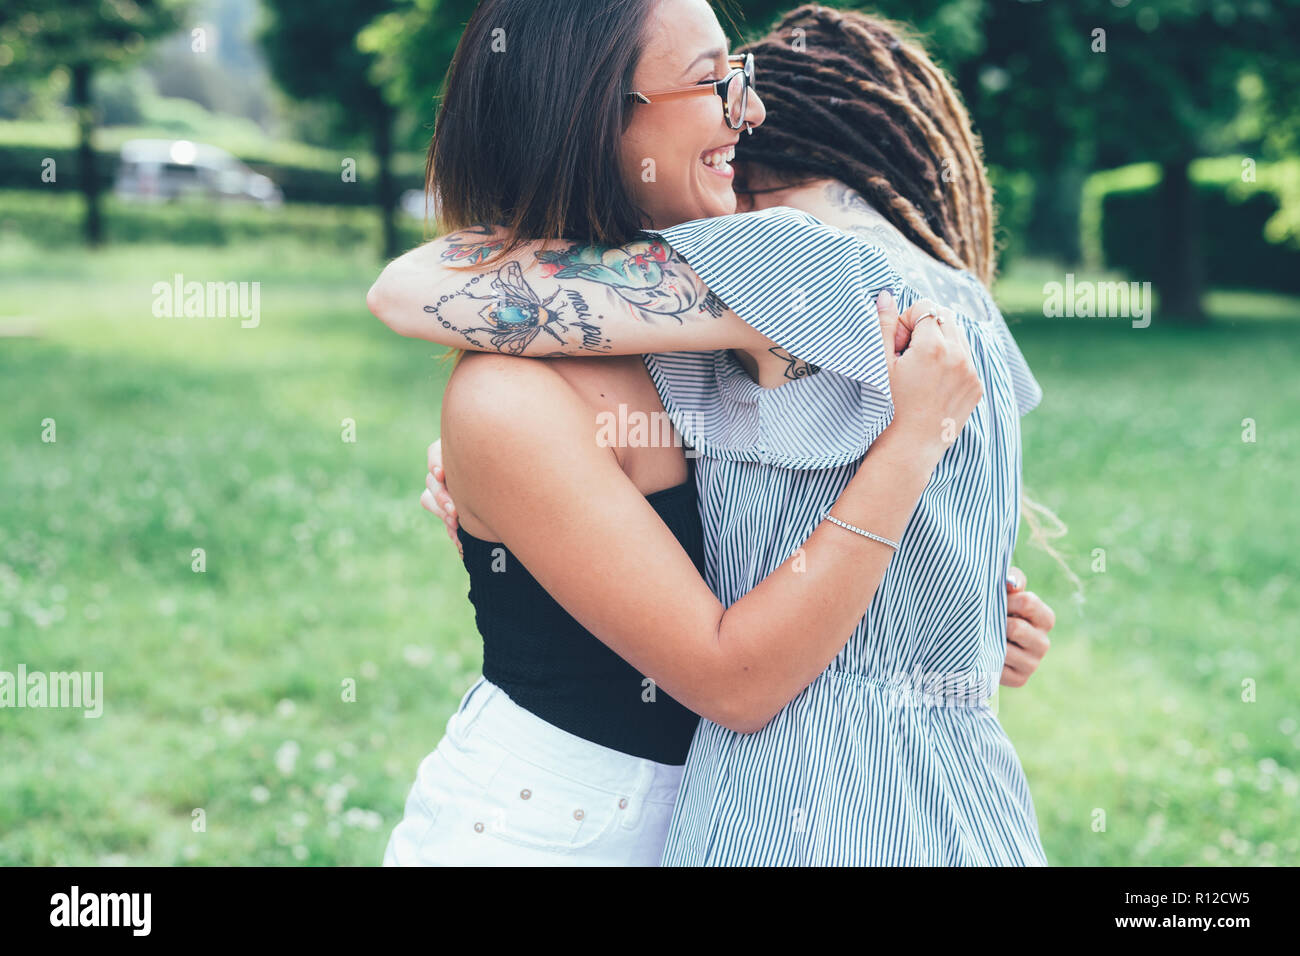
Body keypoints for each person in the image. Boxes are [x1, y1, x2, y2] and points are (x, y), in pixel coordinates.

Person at [372, 0, 1054, 865]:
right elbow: (730, 669)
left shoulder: (743, 302)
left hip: (726, 813)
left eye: (744, 80)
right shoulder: (541, 379)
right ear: (592, 111)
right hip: (547, 830)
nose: (748, 110)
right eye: (712, 81)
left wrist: (943, 613)